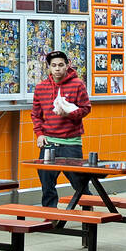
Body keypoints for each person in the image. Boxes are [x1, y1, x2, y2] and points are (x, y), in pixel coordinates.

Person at [31, 50, 93, 207]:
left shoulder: (77, 84)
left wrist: (69, 113)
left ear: (67, 65)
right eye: (53, 65)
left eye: (60, 65)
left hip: (71, 143)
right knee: (47, 184)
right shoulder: (41, 88)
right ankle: (50, 215)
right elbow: (36, 115)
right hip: (48, 143)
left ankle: (89, 209)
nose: (57, 68)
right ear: (49, 68)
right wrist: (39, 134)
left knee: (79, 183)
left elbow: (86, 109)